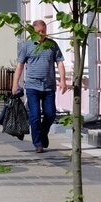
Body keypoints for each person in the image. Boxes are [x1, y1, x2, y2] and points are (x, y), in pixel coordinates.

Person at [12, 20, 67, 153]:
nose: (41, 34)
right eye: (39, 32)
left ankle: (43, 133)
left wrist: (63, 81)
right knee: (35, 116)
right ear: (33, 32)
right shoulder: (27, 46)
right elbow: (19, 66)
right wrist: (15, 84)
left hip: (49, 86)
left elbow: (60, 63)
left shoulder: (52, 45)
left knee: (50, 114)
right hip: (32, 86)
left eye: (43, 31)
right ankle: (38, 144)